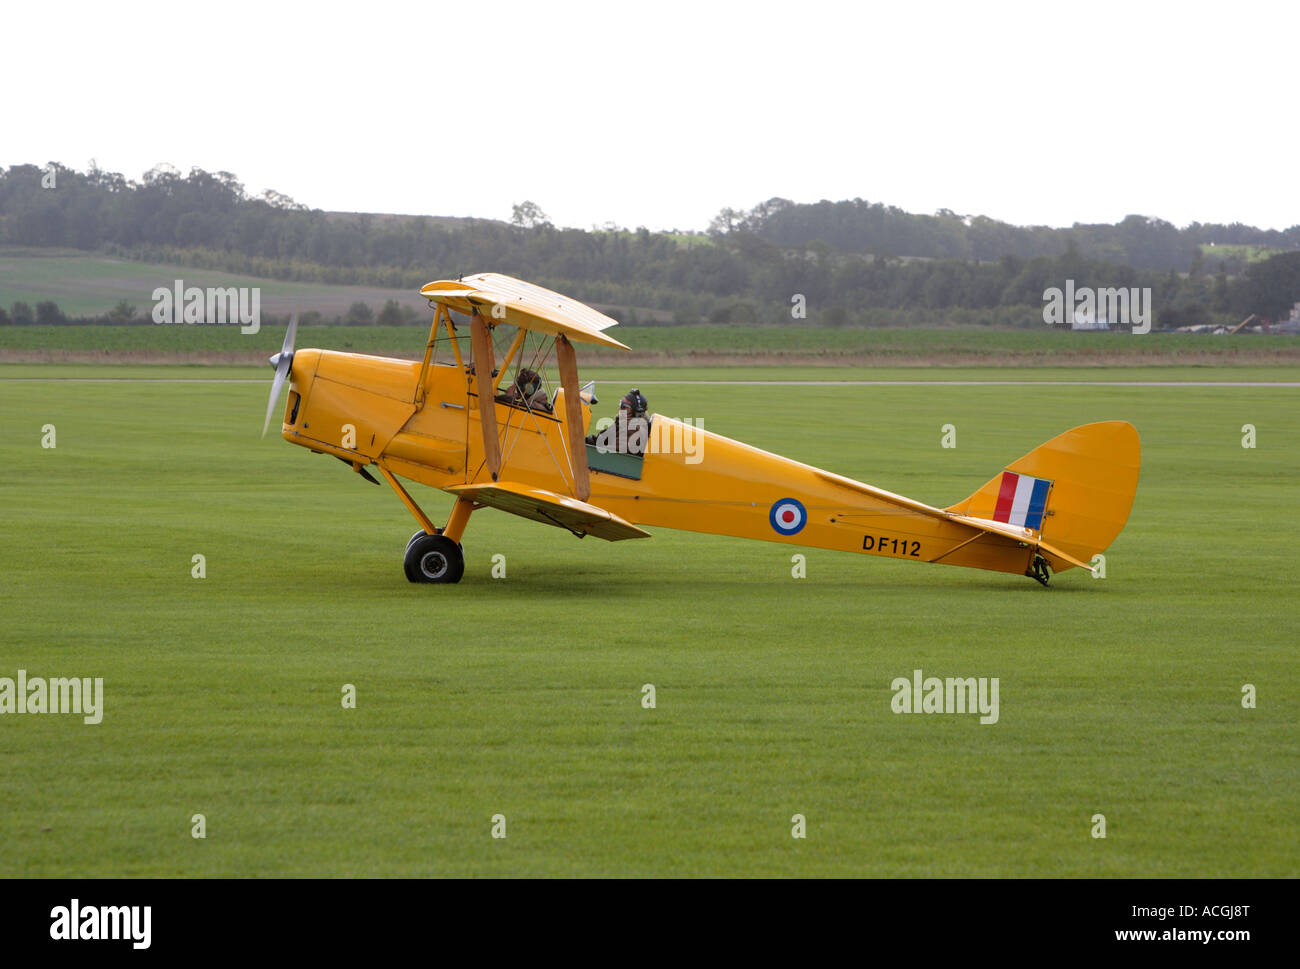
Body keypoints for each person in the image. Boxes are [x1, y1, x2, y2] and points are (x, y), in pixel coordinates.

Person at [587, 388, 649, 454]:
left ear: (637, 413)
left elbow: (611, 454)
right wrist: (583, 441)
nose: (620, 408)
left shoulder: (634, 431)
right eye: (621, 404)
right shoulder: (622, 423)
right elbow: (601, 439)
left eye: (624, 407)